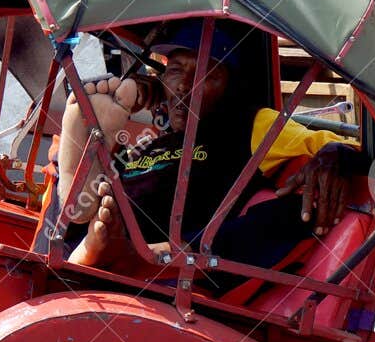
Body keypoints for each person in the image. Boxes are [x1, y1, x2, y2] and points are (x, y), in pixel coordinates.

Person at [54, 20, 359, 272]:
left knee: (284, 216)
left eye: (206, 73)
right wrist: (133, 101)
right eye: (174, 71)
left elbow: (351, 147)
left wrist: (335, 154)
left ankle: (123, 250)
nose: (185, 86)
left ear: (228, 86)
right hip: (100, 227)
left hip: (173, 255)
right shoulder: (150, 135)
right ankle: (82, 209)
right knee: (94, 188)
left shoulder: (252, 123)